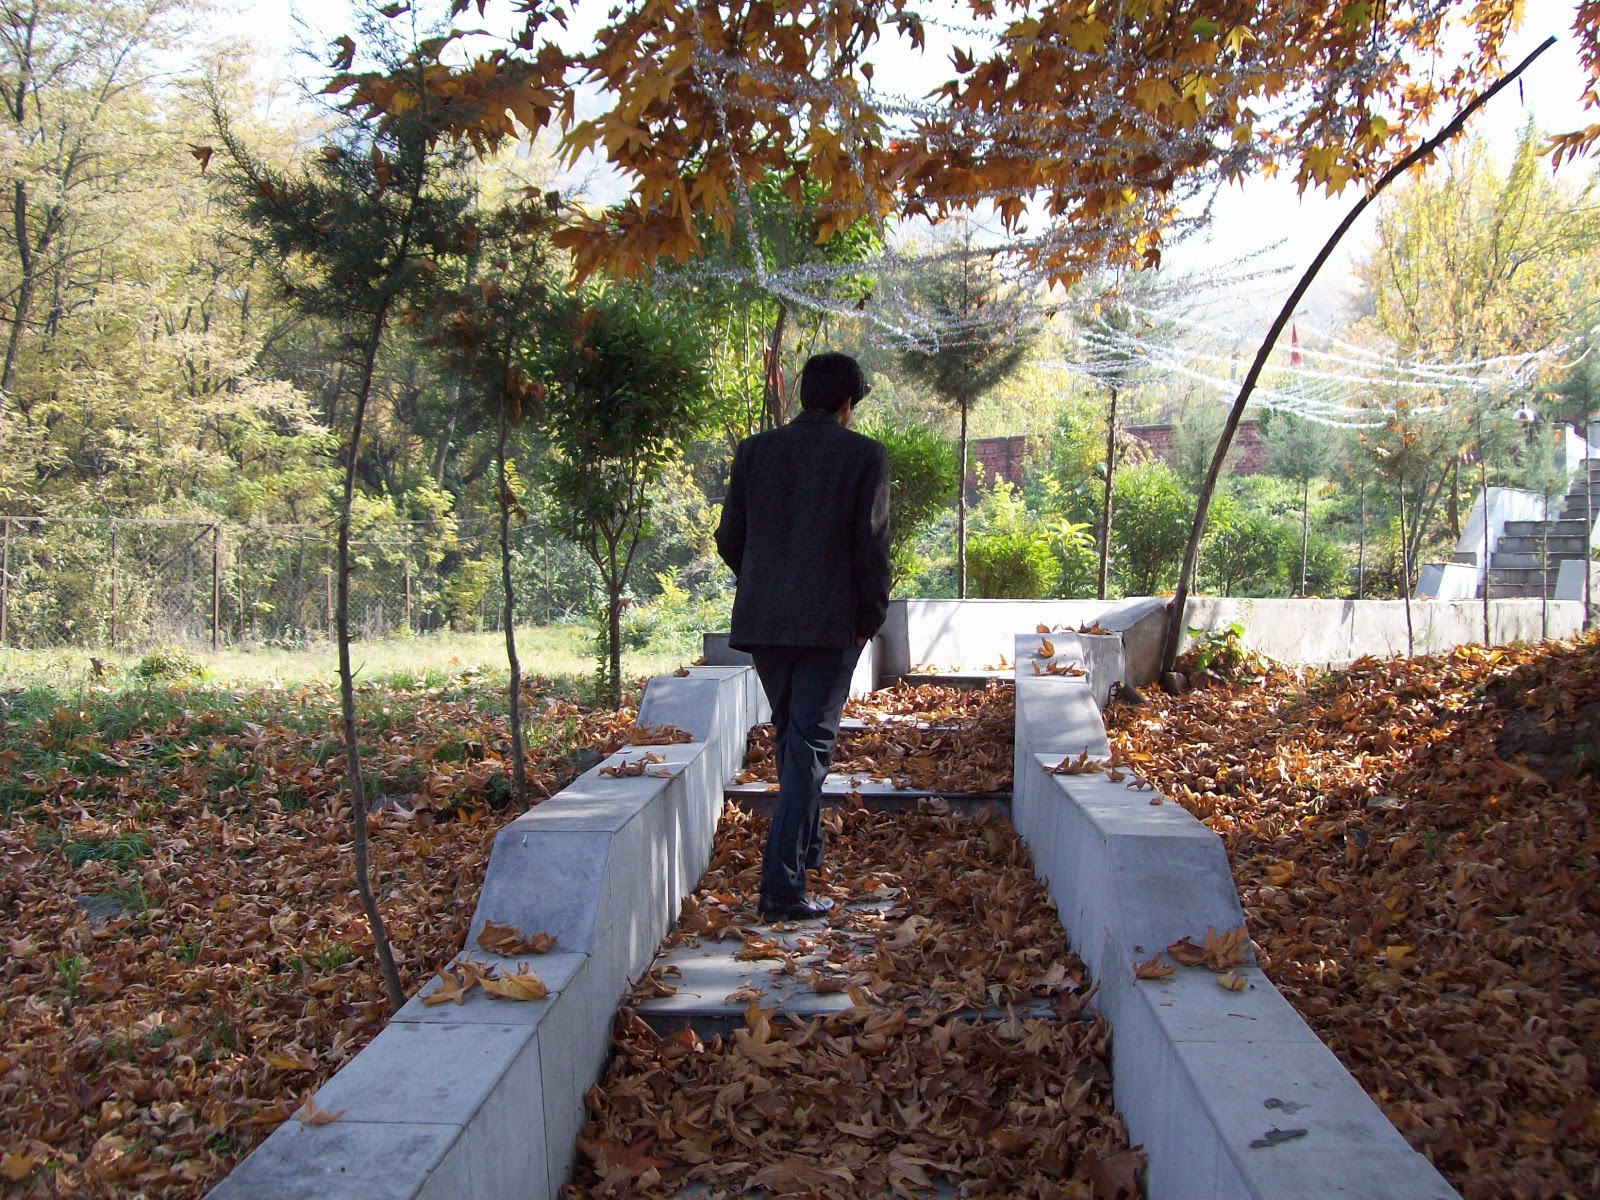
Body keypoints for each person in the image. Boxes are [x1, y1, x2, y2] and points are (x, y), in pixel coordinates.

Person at [715, 352, 891, 922]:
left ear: (802, 394)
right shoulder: (863, 455)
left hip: (766, 623)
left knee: (795, 735)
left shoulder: (755, 452)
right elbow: (871, 546)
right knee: (810, 745)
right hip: (830, 624)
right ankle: (782, 888)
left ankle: (806, 851)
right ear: (847, 404)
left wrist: (763, 581)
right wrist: (869, 617)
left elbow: (730, 537)